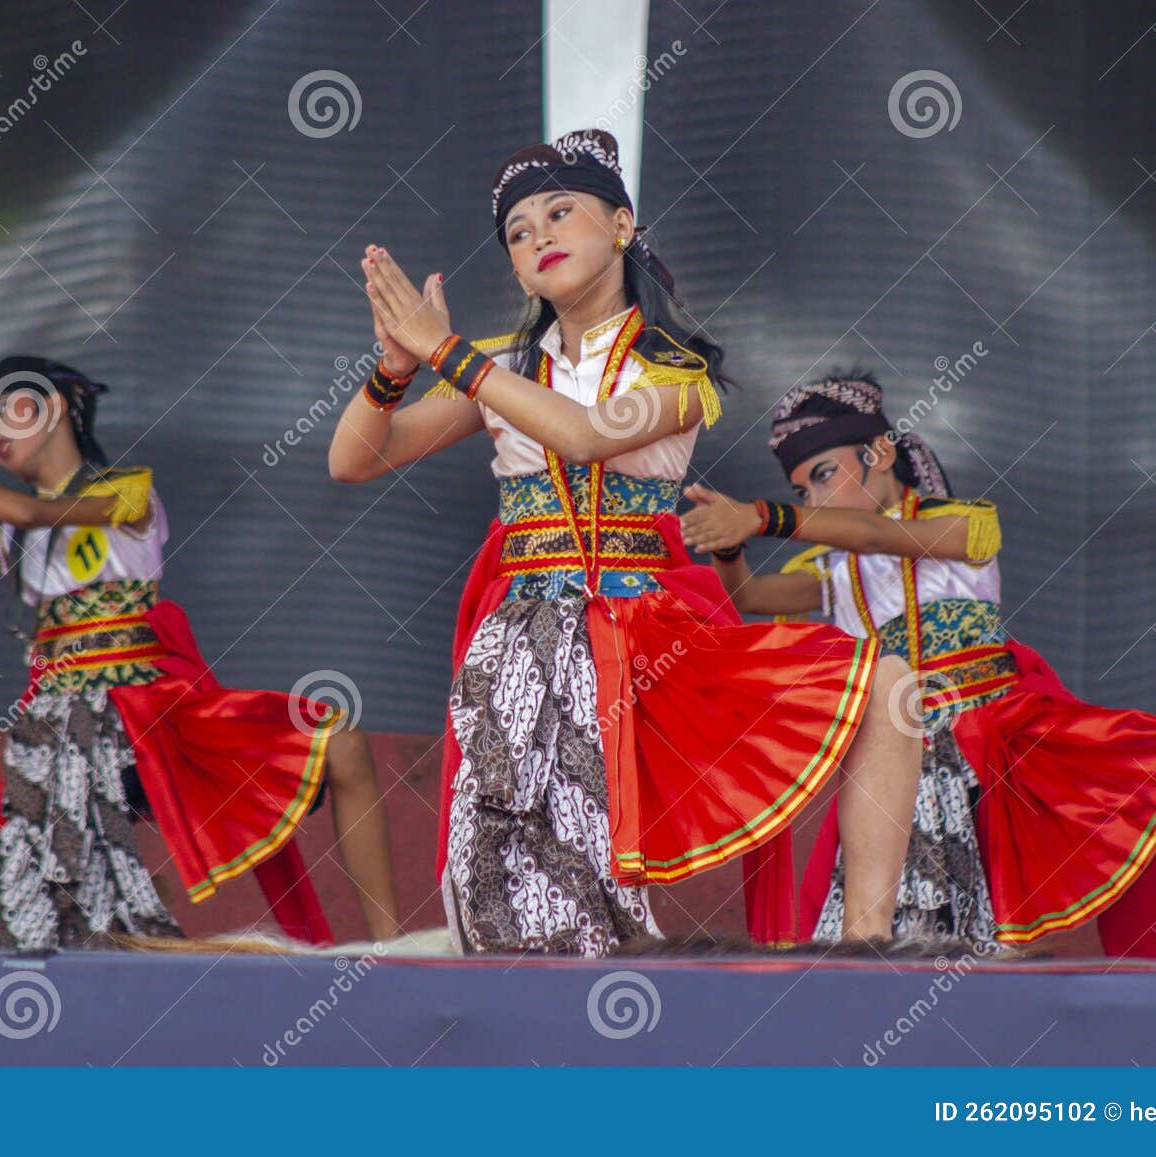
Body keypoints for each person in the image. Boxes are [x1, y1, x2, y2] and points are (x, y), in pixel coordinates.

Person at [329, 129, 923, 956]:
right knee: (506, 889)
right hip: (521, 648)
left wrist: (449, 354)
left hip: (644, 646)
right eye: (518, 231)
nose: (539, 236)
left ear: (620, 224)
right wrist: (396, 367)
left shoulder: (675, 373)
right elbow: (355, 457)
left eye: (560, 211)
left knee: (890, 687)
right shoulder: (503, 368)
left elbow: (583, 435)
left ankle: (865, 949)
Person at [0, 356, 401, 949]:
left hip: (158, 720)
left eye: (3, 414)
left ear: (56, 405)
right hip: (65, 733)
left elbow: (38, 509)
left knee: (343, 744)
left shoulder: (126, 495)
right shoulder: (4, 535)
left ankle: (389, 947)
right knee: (41, 913)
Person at [679, 371, 1156, 955]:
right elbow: (742, 599)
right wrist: (727, 546)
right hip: (905, 762)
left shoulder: (964, 523)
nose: (816, 500)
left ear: (879, 452)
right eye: (803, 492)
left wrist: (766, 517)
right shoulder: (830, 573)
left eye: (824, 475)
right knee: (939, 950)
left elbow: (878, 535)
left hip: (1009, 735)